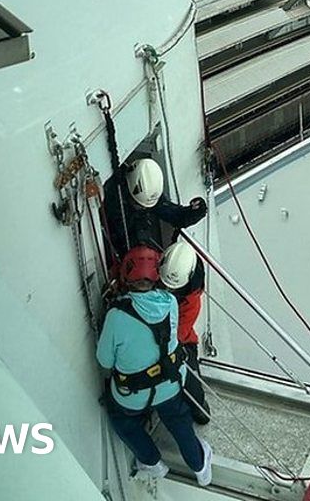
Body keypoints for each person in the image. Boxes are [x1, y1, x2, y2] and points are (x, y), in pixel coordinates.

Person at [97, 245, 213, 486]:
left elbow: (104, 361)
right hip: (169, 383)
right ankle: (200, 466)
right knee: (178, 421)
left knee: (121, 419)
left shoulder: (115, 316)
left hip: (132, 395)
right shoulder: (170, 301)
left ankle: (151, 462)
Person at [103, 158, 207, 260]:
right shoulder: (109, 195)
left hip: (133, 247)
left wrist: (195, 212)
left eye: (144, 206)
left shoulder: (148, 195)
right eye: (138, 204)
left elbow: (175, 215)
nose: (142, 208)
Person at [159, 241, 210, 425]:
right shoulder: (162, 269)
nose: (170, 290)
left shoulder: (192, 301)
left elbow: (179, 334)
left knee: (192, 383)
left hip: (181, 342)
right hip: (156, 336)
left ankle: (198, 403)